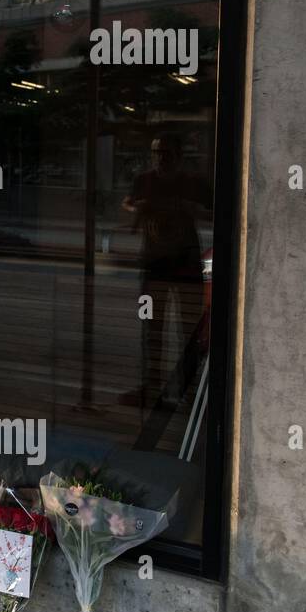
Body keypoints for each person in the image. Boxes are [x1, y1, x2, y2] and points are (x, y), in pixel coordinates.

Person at [120, 133, 207, 410]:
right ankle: (154, 385)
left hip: (183, 261)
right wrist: (137, 207)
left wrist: (190, 208)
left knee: (188, 329)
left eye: (166, 153)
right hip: (155, 262)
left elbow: (215, 210)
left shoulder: (191, 182)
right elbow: (127, 204)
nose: (161, 158)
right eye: (157, 152)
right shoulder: (144, 180)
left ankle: (187, 389)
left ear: (178, 156)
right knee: (152, 329)